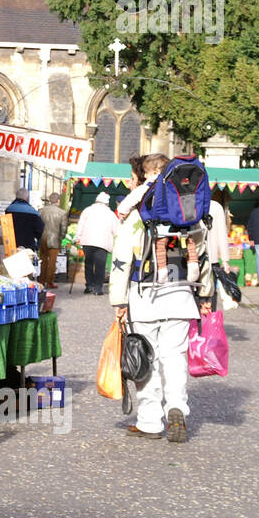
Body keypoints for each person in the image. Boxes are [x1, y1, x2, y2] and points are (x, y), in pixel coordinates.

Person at [111, 156, 214, 442]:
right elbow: (204, 257)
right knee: (175, 357)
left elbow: (121, 258)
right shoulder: (190, 212)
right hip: (182, 295)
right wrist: (206, 294)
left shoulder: (137, 214)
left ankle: (149, 421)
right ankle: (177, 408)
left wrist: (119, 301)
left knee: (147, 358)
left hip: (144, 297)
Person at [116, 153, 177, 283]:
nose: (144, 176)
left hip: (156, 227)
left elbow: (126, 204)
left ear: (155, 172)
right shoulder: (173, 188)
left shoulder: (145, 188)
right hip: (176, 228)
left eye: (146, 173)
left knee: (159, 246)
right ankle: (192, 262)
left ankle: (162, 270)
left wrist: (122, 211)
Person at [76, 191, 119, 294]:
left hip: (87, 241)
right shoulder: (111, 214)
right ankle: (98, 288)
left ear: (96, 200)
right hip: (103, 243)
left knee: (88, 263)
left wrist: (78, 237)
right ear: (107, 203)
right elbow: (116, 230)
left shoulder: (87, 210)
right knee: (100, 265)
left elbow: (80, 225)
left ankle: (89, 285)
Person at [37, 193, 68, 288]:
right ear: (58, 201)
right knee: (52, 262)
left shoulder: (41, 211)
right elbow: (64, 228)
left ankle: (42, 280)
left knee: (43, 260)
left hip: (43, 238)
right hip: (54, 238)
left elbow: (37, 224)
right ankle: (50, 281)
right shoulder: (62, 213)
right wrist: (61, 237)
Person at [3, 187, 44, 252]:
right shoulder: (33, 212)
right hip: (28, 247)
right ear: (27, 198)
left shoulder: (9, 209)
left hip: (11, 246)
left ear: (16, 197)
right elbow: (40, 230)